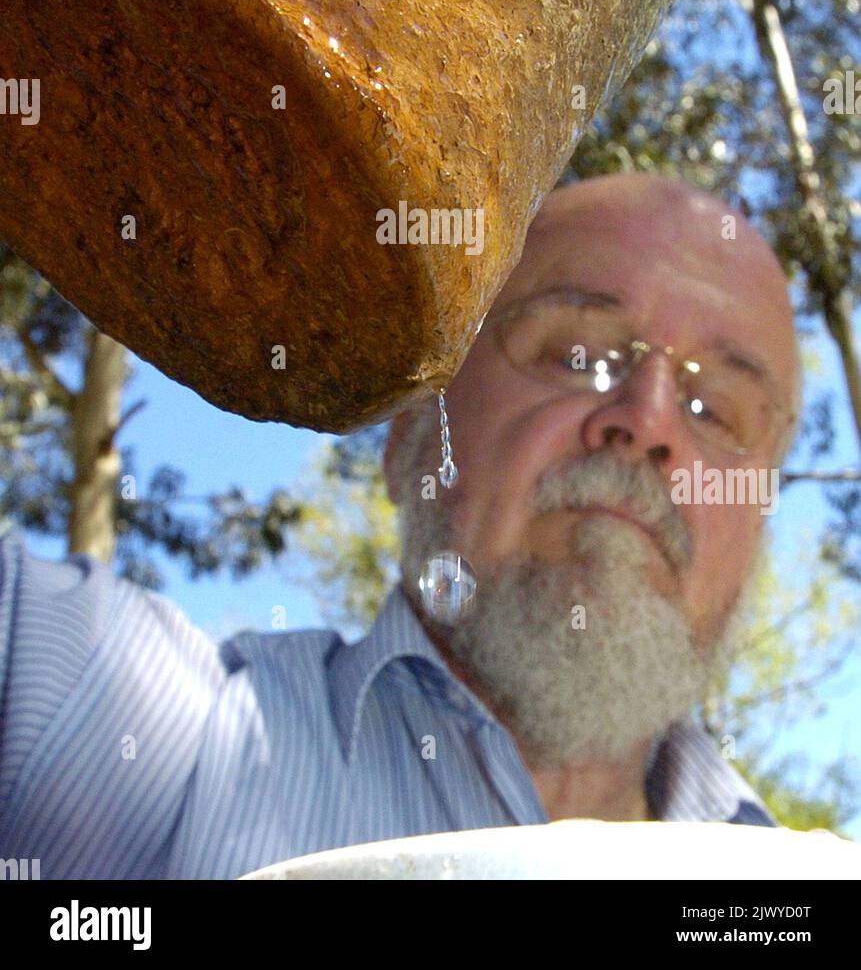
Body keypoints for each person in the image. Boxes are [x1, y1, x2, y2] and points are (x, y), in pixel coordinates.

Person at [0, 172, 801, 878]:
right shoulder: (103, 714)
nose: (649, 420)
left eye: (713, 409)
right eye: (576, 356)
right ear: (409, 437)